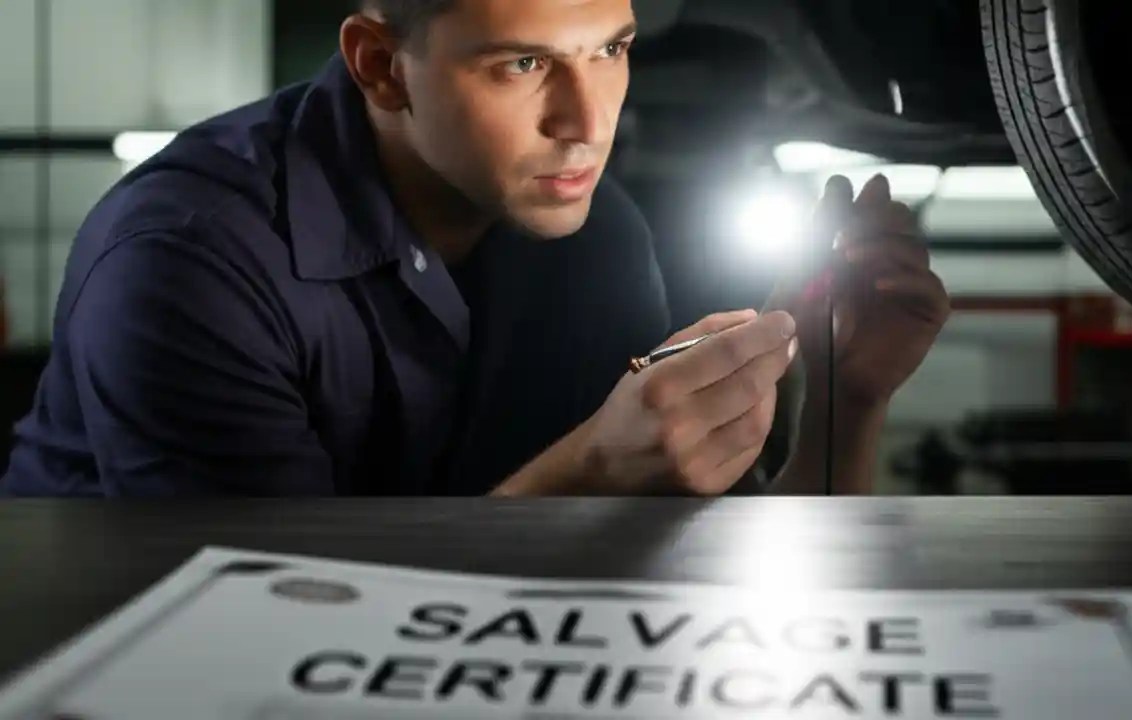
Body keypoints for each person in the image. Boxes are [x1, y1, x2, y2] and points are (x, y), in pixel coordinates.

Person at [0, 0, 948, 497]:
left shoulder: (592, 231)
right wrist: (587, 475)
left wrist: (840, 398)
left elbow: (700, 597)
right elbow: (273, 647)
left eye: (610, 50)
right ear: (381, 65)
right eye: (524, 63)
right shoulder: (191, 264)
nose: (588, 123)